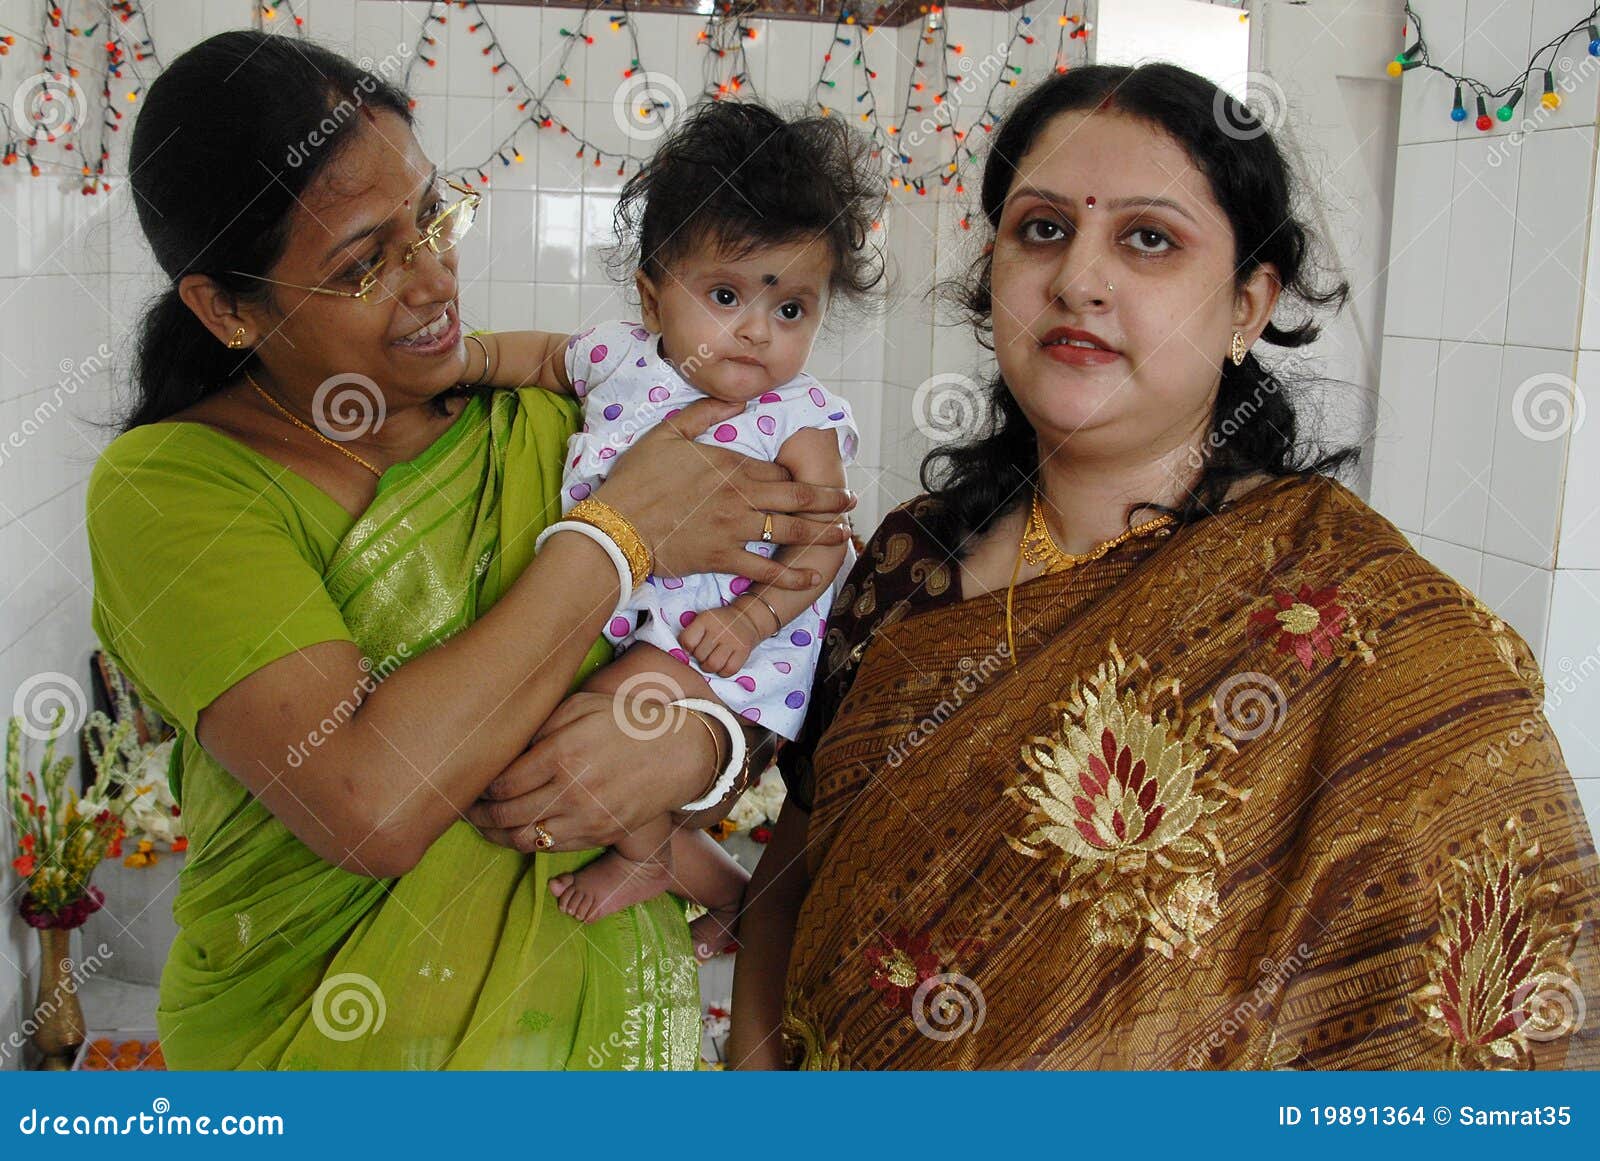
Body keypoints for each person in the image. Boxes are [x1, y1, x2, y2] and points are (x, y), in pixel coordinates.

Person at [728, 63, 1600, 1070]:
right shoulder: (909, 561)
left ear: (1248, 303)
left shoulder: (1353, 617)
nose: (1077, 279)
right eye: (1042, 229)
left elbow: (1517, 1020)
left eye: (1148, 239)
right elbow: (791, 878)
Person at [84, 31, 853, 1070]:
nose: (435, 278)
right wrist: (617, 535)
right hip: (327, 1056)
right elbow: (367, 807)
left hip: (603, 1027)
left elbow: (771, 606)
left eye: (433, 217)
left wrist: (698, 748)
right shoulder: (173, 487)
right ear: (227, 307)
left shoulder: (547, 414)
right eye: (364, 262)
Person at [463, 101, 881, 957]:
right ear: (655, 296)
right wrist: (461, 360)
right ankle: (722, 889)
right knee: (578, 729)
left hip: (718, 634)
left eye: (793, 308)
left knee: (587, 738)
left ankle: (658, 860)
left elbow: (825, 538)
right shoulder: (619, 355)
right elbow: (540, 358)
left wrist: (749, 621)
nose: (758, 330)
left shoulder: (796, 413)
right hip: (633, 605)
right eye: (726, 296)